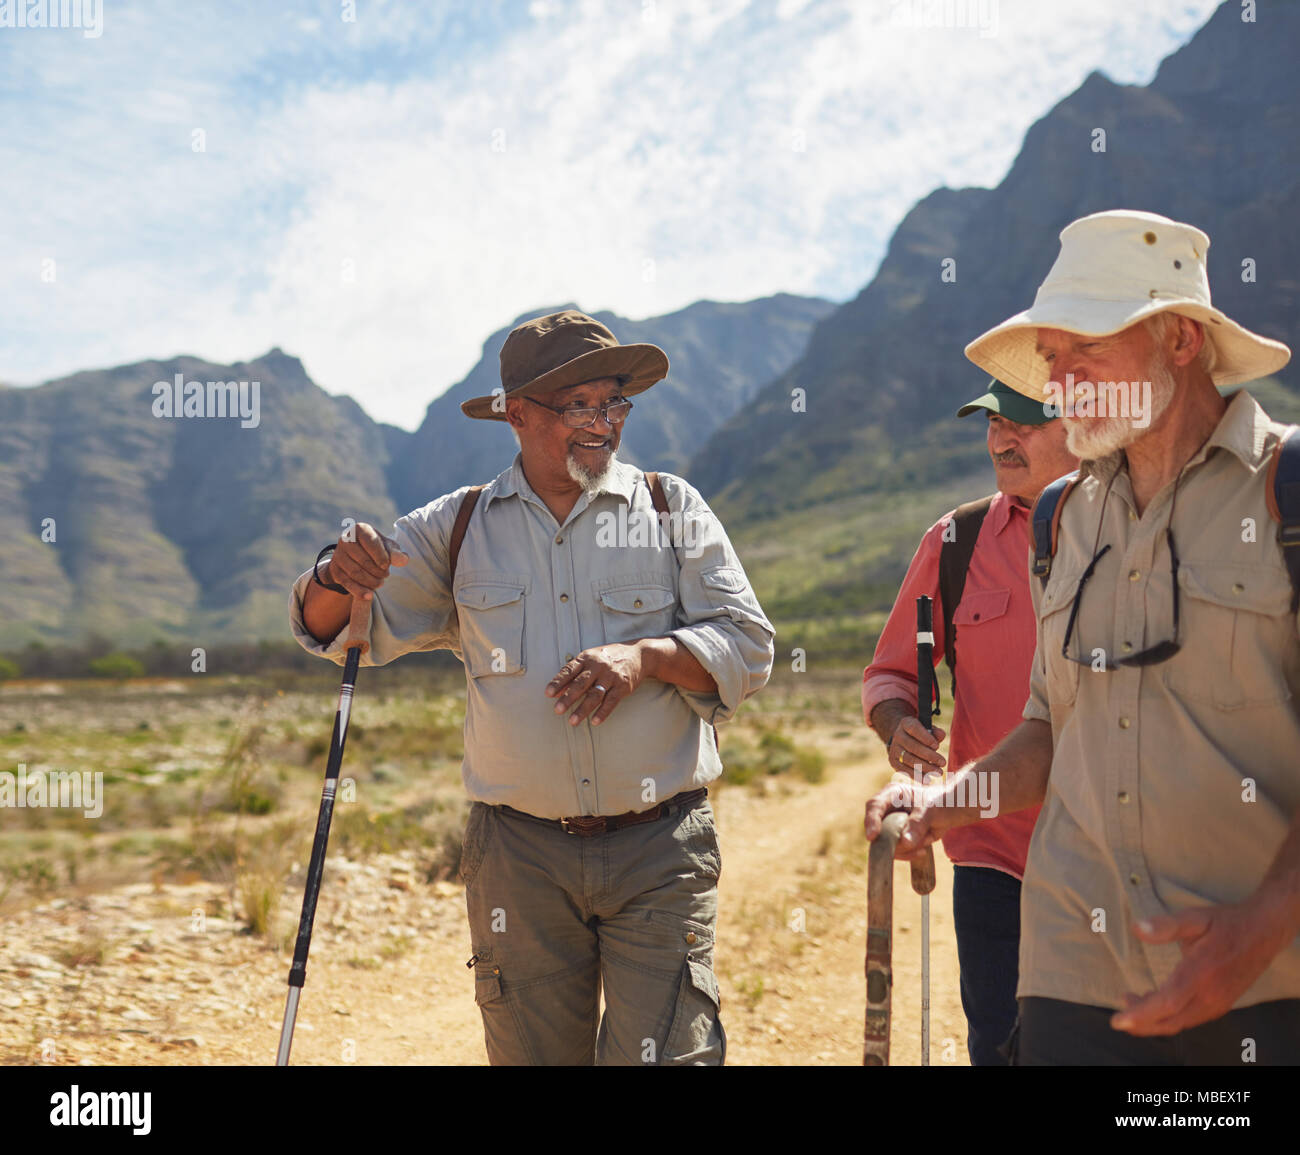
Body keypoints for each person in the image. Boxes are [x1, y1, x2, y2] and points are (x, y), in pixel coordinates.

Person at [864, 209, 1300, 1064]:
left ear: (1180, 339)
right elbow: (1051, 729)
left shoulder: (1288, 493)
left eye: (1084, 350)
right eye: (1050, 357)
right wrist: (945, 802)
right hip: (1072, 963)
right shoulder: (1063, 517)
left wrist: (1265, 922)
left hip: (1262, 972)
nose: (1058, 384)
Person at [289, 309, 774, 1066]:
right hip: (519, 859)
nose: (602, 423)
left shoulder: (670, 508)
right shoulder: (457, 526)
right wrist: (334, 571)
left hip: (660, 848)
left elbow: (748, 643)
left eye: (613, 402)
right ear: (516, 414)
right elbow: (339, 627)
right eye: (578, 404)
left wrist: (646, 657)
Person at [862, 378, 1077, 1065]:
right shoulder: (956, 539)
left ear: (1082, 423)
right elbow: (889, 675)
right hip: (992, 851)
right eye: (992, 422)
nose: (1001, 440)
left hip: (1107, 861)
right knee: (1002, 1046)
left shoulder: (1130, 528)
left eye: (1023, 423)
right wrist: (897, 723)